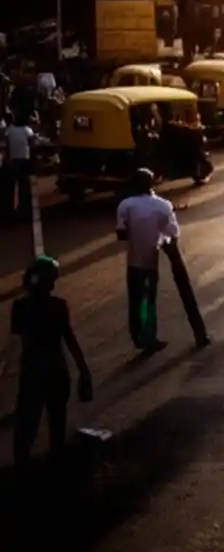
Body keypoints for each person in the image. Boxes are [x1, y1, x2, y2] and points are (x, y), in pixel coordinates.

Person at [3, 256, 92, 468]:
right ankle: (56, 462)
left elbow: (14, 344)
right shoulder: (58, 306)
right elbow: (69, 338)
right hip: (56, 369)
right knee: (56, 420)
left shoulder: (20, 307)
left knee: (27, 423)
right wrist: (83, 369)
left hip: (32, 371)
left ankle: (21, 466)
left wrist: (6, 371)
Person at [115, 169, 179, 353]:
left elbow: (121, 233)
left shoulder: (126, 205)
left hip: (133, 261)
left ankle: (138, 337)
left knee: (135, 299)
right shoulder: (163, 205)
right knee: (149, 300)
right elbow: (172, 234)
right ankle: (149, 336)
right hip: (152, 260)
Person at [2, 111, 36, 222]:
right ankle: (24, 210)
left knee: (9, 187)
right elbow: (32, 146)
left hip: (13, 161)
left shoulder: (10, 130)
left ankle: (8, 211)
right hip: (23, 161)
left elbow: (6, 147)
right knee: (24, 187)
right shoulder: (27, 130)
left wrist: (6, 160)